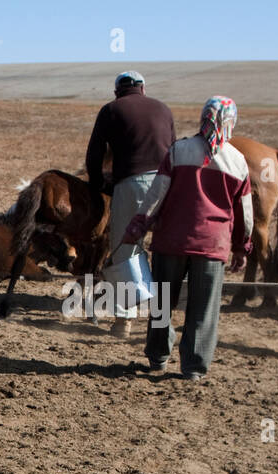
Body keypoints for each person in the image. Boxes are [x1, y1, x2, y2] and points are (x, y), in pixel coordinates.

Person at [122, 96, 253, 381]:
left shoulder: (179, 150)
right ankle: (193, 367)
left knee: (162, 303)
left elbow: (156, 194)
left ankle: (158, 358)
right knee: (203, 309)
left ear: (203, 117)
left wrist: (138, 226)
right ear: (231, 123)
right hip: (212, 245)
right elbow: (246, 213)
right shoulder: (238, 162)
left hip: (171, 240)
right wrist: (242, 247)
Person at [86, 71, 176, 334]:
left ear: (117, 91)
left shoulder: (110, 110)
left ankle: (124, 320)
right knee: (164, 247)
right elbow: (173, 149)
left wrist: (98, 184)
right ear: (143, 88)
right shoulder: (163, 108)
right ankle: (162, 317)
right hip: (167, 183)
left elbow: (95, 154)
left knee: (126, 248)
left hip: (131, 184)